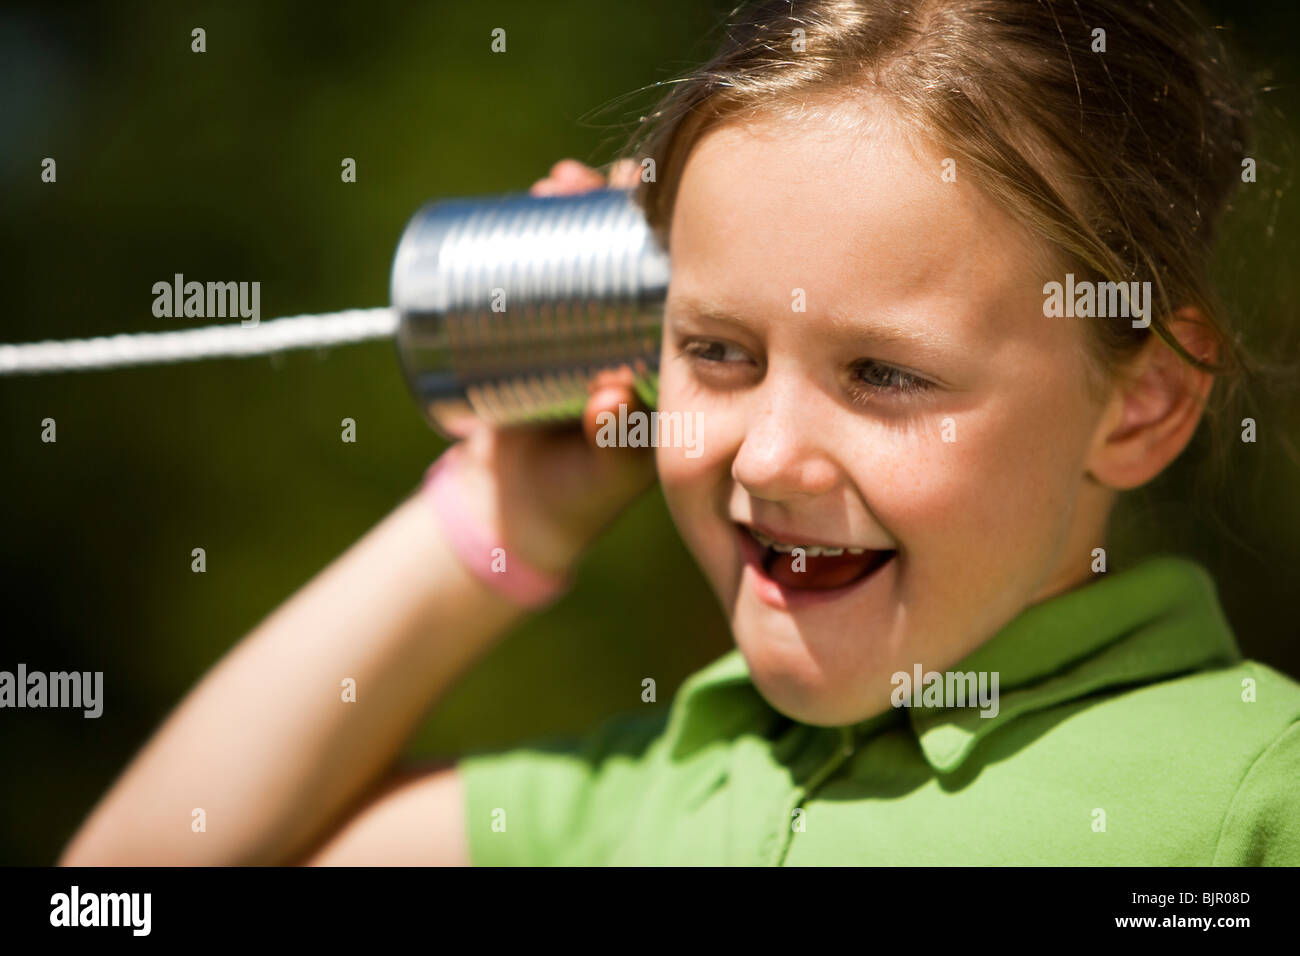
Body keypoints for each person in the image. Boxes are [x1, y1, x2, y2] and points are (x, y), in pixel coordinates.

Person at [60, 0, 1300, 866]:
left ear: (1141, 399)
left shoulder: (1255, 789)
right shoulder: (663, 791)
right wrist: (509, 512)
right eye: (718, 351)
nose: (764, 457)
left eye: (882, 372)